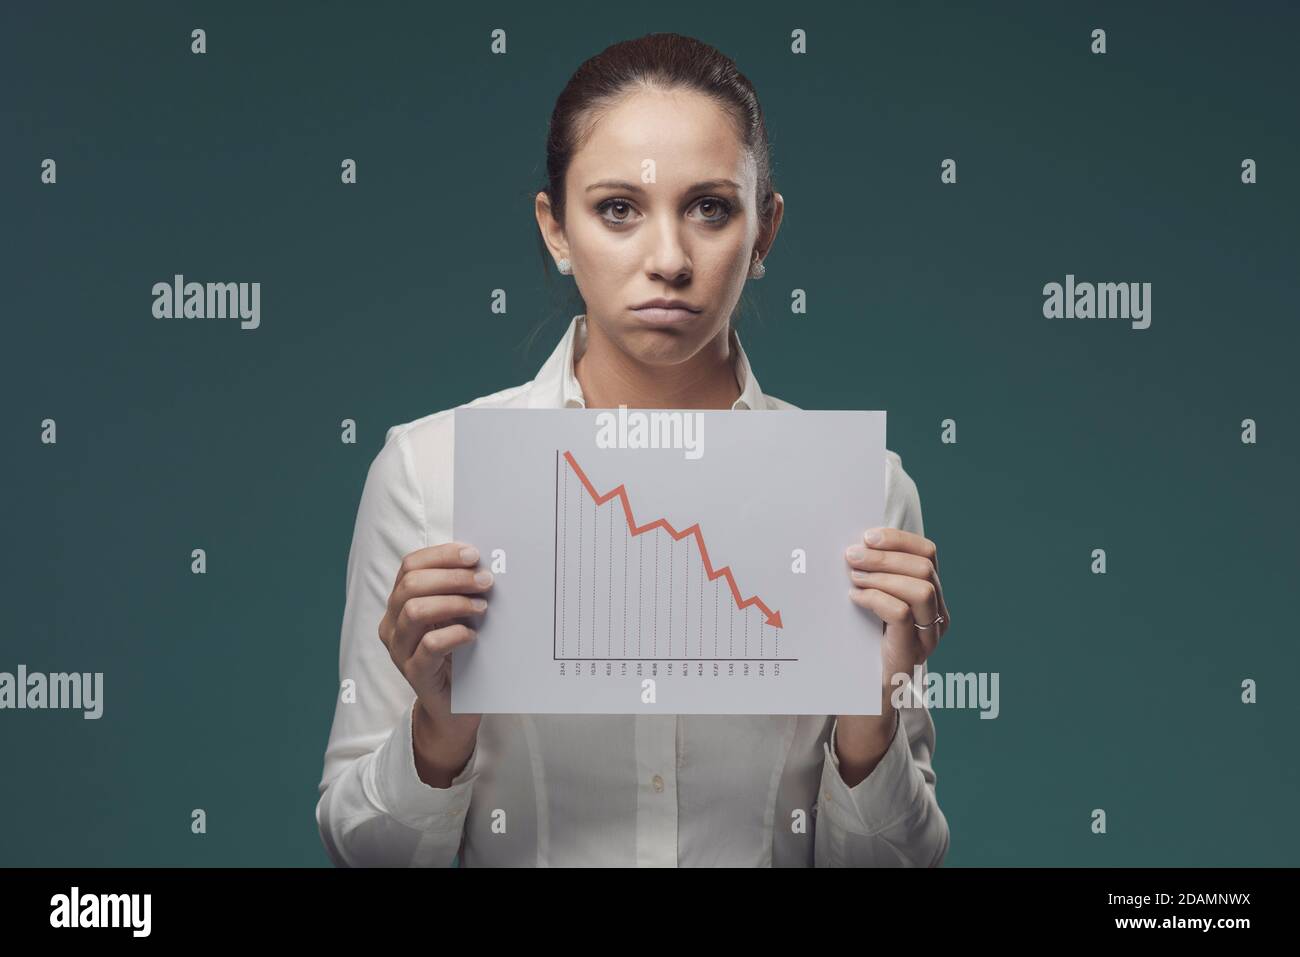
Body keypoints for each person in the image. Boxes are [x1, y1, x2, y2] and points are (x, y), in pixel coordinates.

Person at [316, 32, 953, 867]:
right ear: (556, 228)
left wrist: (874, 720)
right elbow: (364, 850)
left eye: (711, 207)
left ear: (764, 233)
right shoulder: (428, 474)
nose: (668, 260)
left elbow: (896, 862)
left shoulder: (866, 493)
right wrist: (437, 732)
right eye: (618, 208)